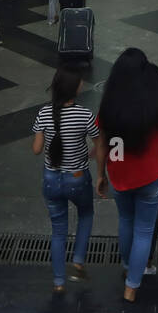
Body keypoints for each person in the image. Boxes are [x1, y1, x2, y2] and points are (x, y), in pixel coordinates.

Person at [96, 48, 158, 303]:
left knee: (126, 221)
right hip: (150, 174)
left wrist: (100, 174)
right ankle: (132, 286)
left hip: (119, 172)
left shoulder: (109, 103)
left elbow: (101, 144)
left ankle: (128, 265)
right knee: (144, 229)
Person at [32, 67, 101, 292]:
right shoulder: (85, 115)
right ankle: (78, 260)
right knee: (86, 214)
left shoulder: (43, 113)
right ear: (75, 89)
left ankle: (59, 283)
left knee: (58, 230)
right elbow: (99, 144)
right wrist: (91, 154)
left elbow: (36, 149)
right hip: (78, 178)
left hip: (51, 178)